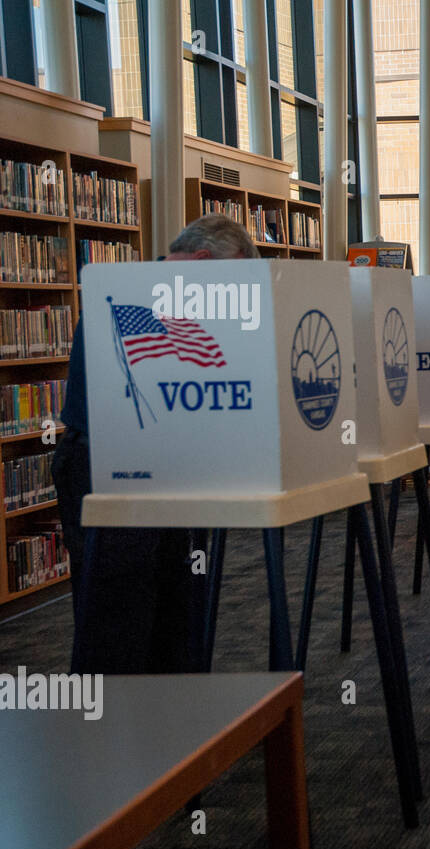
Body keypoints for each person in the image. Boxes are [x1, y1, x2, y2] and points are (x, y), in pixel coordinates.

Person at [55, 214, 259, 673]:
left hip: (164, 466)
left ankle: (173, 732)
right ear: (204, 261)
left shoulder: (151, 291)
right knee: (118, 620)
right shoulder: (132, 293)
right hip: (107, 466)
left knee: (175, 611)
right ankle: (108, 736)